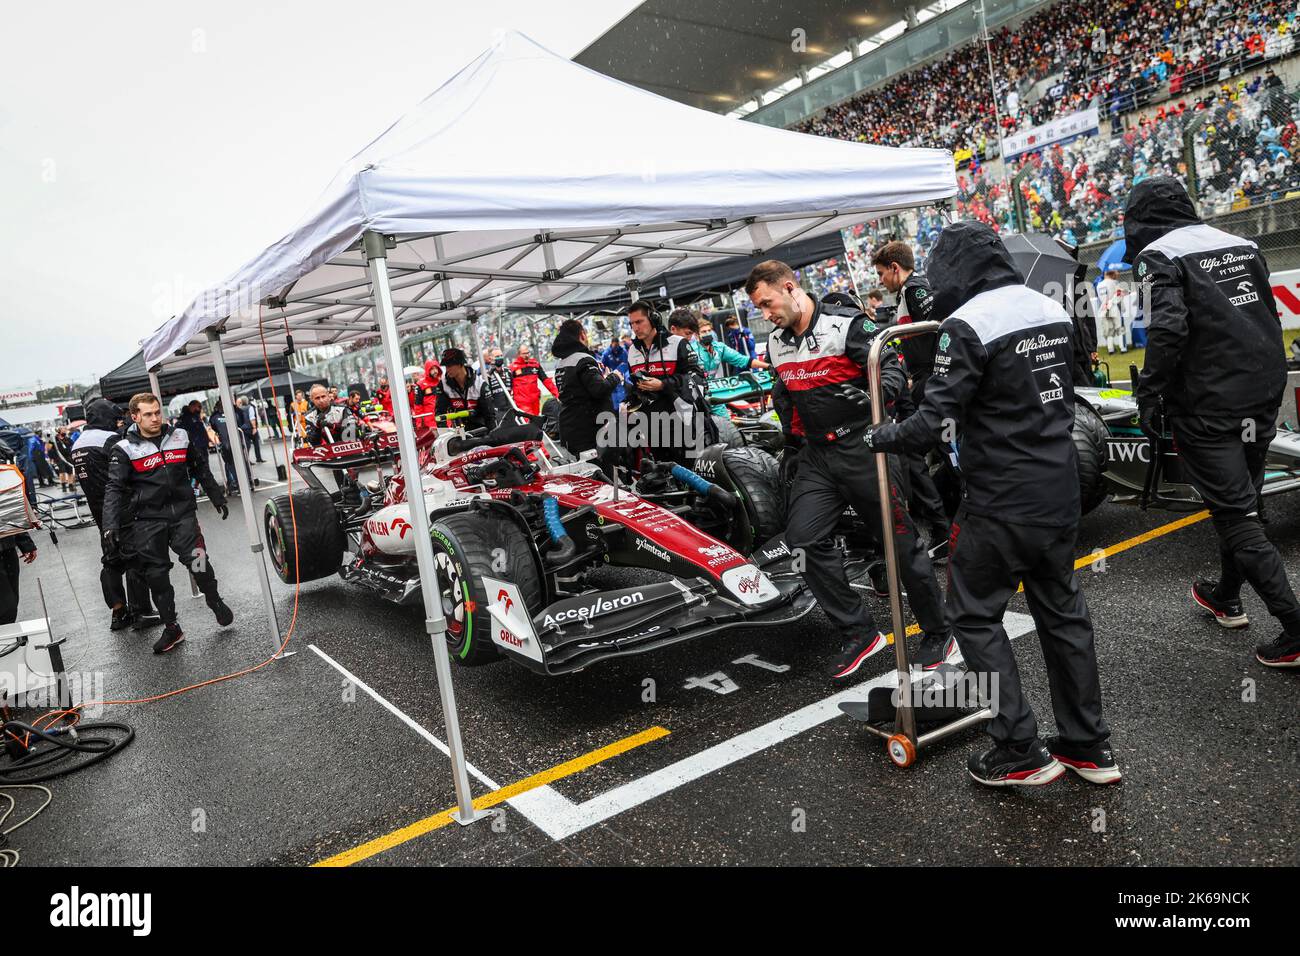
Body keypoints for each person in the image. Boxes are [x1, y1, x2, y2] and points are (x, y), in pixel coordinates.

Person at [866, 222, 1116, 788]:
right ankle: (1089, 747)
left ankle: (1019, 748)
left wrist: (879, 436)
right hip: (1060, 487)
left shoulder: (968, 323)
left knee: (973, 616)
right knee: (1064, 615)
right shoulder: (1047, 308)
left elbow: (931, 422)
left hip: (1000, 497)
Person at [745, 259, 951, 682]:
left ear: (789, 287)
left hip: (866, 445)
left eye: (767, 304)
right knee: (801, 539)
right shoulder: (777, 344)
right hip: (818, 455)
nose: (765, 315)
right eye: (759, 309)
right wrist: (792, 442)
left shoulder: (848, 325)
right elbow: (785, 395)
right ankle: (859, 631)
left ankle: (939, 631)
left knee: (898, 544)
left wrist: (872, 394)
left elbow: (894, 372)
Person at [1127, 176, 1300, 668]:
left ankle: (1294, 627)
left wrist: (1151, 392)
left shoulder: (1157, 256)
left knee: (1234, 514)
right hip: (1264, 387)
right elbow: (1264, 311)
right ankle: (1226, 595)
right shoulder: (1241, 242)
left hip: (1209, 401)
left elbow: (1167, 327)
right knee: (1244, 500)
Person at [102, 393, 232, 654]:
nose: (154, 418)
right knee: (157, 576)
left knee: (199, 562)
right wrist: (110, 524)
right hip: (148, 522)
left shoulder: (180, 436)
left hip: (183, 515)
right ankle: (172, 627)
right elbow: (114, 488)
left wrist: (216, 495)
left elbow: (199, 468)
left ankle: (214, 599)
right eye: (148, 414)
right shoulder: (123, 448)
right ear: (135, 416)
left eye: (157, 412)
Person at [873, 241, 950, 559]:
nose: (879, 281)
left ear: (894, 268)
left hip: (932, 380)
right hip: (923, 379)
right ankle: (946, 529)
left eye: (881, 273)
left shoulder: (915, 289)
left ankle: (948, 531)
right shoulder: (907, 293)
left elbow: (941, 328)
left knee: (938, 454)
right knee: (926, 456)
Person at [71, 398, 159, 631]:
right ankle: (142, 612)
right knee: (134, 558)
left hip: (100, 513)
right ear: (104, 417)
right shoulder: (109, 440)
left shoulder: (77, 443)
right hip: (123, 508)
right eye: (115, 417)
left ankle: (118, 611)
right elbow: (127, 468)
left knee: (111, 560)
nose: (118, 421)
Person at [625, 301, 703, 466]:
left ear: (653, 319)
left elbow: (696, 378)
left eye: (639, 322)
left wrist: (662, 385)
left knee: (691, 472)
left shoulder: (678, 343)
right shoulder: (632, 351)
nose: (635, 328)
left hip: (682, 421)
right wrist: (629, 403)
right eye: (632, 323)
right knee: (664, 475)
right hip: (652, 424)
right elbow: (635, 386)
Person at [551, 318, 622, 457]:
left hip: (570, 428)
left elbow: (578, 390)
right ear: (582, 335)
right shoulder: (583, 359)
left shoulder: (561, 363)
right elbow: (599, 390)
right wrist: (615, 377)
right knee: (600, 474)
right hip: (589, 431)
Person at [435, 349, 495, 431]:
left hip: (481, 431)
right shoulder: (443, 384)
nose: (447, 370)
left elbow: (490, 416)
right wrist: (445, 434)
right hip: (459, 432)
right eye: (445, 366)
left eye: (449, 366)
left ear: (460, 364)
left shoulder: (480, 384)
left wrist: (492, 438)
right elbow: (440, 413)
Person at [0, 527, 37, 626]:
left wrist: (26, 544)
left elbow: (13, 516)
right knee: (7, 605)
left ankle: (6, 637)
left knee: (12, 599)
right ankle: (6, 638)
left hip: (7, 548)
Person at [509, 343, 558, 416]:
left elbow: (546, 380)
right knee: (529, 423)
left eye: (528, 353)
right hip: (522, 403)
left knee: (536, 421)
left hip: (535, 401)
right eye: (524, 353)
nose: (527, 355)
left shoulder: (535, 364)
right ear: (519, 354)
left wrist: (556, 394)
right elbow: (508, 386)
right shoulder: (512, 367)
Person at [481, 347, 515, 417]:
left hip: (510, 409)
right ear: (490, 359)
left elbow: (513, 388)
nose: (500, 358)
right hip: (497, 412)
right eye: (497, 356)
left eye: (501, 356)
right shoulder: (487, 375)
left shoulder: (508, 371)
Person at [236, 396, 263, 463]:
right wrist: (254, 427)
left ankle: (247, 460)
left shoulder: (238, 409)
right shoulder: (250, 407)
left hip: (243, 429)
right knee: (256, 444)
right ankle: (258, 458)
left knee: (246, 445)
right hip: (250, 428)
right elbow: (252, 418)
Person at [51, 427, 76, 492]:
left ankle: (70, 485)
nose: (65, 431)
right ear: (59, 431)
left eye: (65, 430)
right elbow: (48, 448)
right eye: (63, 430)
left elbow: (73, 444)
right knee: (62, 472)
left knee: (70, 472)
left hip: (68, 457)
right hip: (59, 458)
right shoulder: (54, 440)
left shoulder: (67, 438)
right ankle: (63, 486)